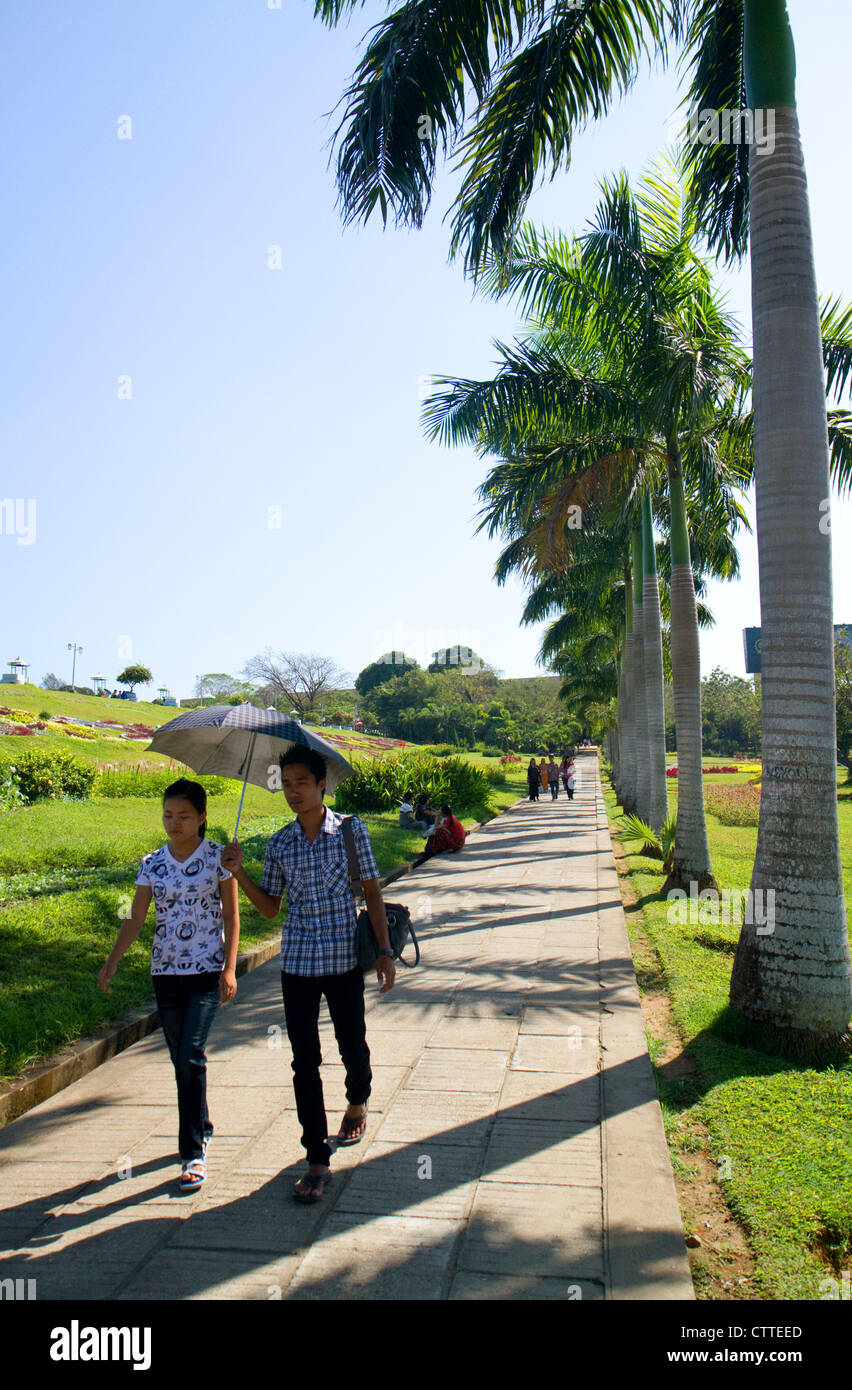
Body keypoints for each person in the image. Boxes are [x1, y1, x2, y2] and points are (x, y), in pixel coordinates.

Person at [221, 745, 394, 1204]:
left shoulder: (351, 834)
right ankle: (316, 1156)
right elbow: (270, 908)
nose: (293, 791)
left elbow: (373, 894)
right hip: (297, 964)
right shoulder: (279, 843)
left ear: (322, 785)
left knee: (352, 1044)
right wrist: (239, 874)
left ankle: (358, 1098)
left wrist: (384, 952)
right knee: (304, 1061)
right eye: (287, 783)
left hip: (341, 962)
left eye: (302, 782)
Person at [98, 778, 240, 1193]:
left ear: (202, 818)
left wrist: (229, 970)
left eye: (183, 816)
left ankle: (192, 1153)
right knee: (183, 1060)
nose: (174, 823)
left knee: (191, 1053)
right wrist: (113, 960)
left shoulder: (219, 859)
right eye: (167, 815)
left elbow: (232, 919)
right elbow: (136, 918)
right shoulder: (152, 863)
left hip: (205, 972)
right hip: (165, 972)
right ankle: (204, 1122)